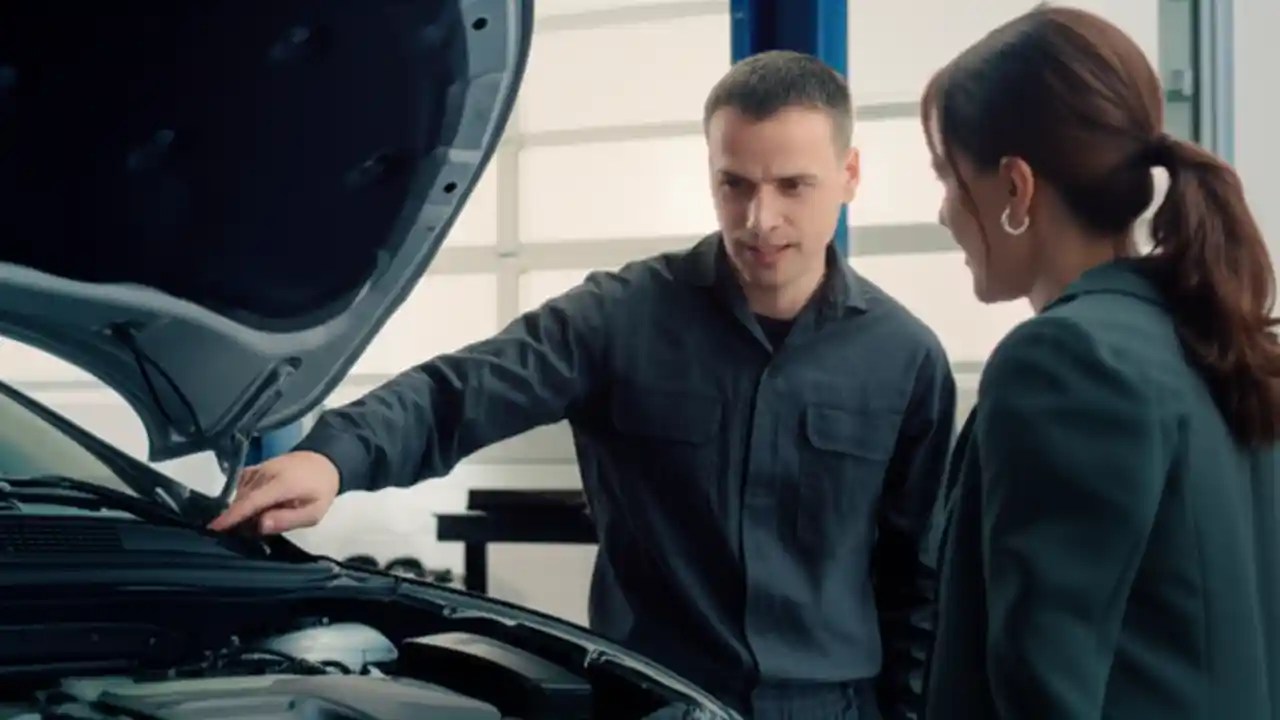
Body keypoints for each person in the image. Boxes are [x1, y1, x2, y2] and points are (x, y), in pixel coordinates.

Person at [209, 50, 956, 720]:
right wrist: (336, 456)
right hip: (656, 698)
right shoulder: (623, 317)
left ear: (850, 175)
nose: (761, 219)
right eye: (735, 185)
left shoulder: (906, 358)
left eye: (794, 185)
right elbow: (466, 388)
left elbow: (918, 582)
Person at [919, 6, 1280, 719]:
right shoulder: (1221, 345)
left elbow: (1042, 691)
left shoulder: (1064, 362)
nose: (943, 215)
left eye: (948, 177)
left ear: (1015, 187)